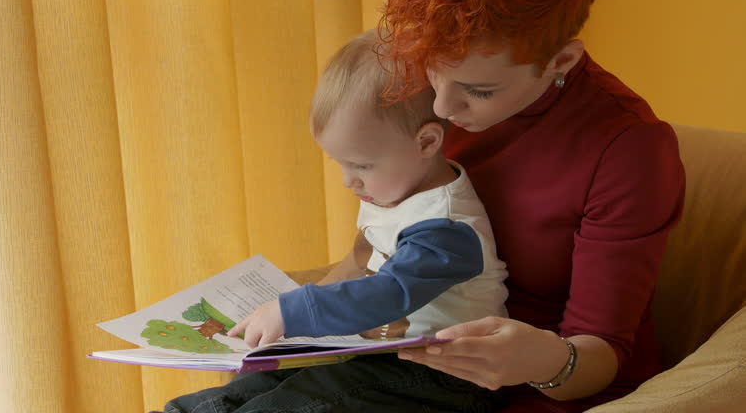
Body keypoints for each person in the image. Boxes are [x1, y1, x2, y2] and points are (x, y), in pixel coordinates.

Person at [371, 0, 686, 412]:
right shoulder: (435, 76)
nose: (440, 106)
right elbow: (374, 239)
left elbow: (601, 351)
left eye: (478, 90)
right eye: (434, 70)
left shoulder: (630, 150)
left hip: (545, 391)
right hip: (411, 365)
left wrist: (541, 361)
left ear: (562, 61)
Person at [151, 28, 509, 413]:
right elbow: (360, 261)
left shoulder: (447, 228)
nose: (347, 180)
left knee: (299, 401)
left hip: (448, 376)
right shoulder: (393, 187)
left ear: (426, 143)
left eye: (361, 165)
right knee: (254, 383)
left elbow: (391, 293)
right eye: (340, 163)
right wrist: (286, 318)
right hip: (380, 356)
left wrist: (297, 309)